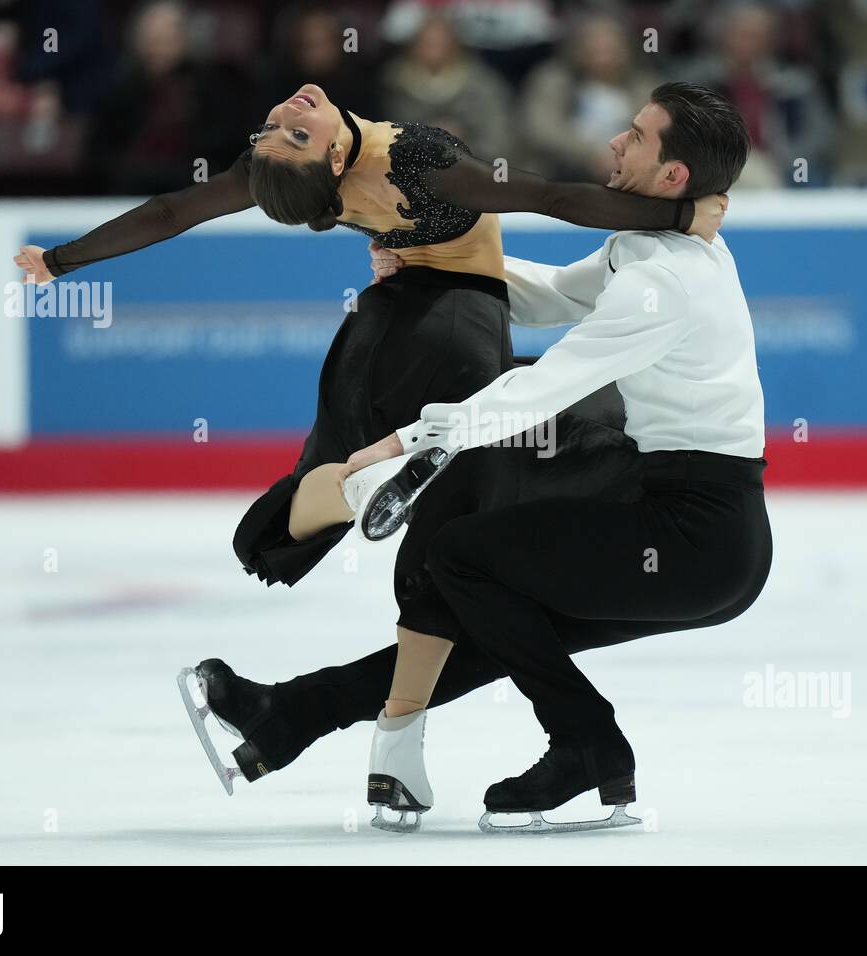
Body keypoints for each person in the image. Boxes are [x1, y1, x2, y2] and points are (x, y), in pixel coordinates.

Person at [10, 82, 723, 821]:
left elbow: (171, 212)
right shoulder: (419, 159)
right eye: (289, 131)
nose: (287, 113)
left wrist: (60, 261)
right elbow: (550, 197)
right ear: (327, 160)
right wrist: (680, 215)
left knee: (335, 506)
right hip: (458, 338)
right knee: (449, 546)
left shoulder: (280, 174)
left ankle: (322, 669)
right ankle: (398, 744)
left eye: (282, 125)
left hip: (376, 333)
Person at [201, 83, 770, 834]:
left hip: (697, 534)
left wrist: (411, 439)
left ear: (673, 177)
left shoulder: (664, 282)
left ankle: (588, 744)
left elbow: (542, 388)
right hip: (687, 517)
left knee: (461, 558)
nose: (614, 141)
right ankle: (287, 717)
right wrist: (435, 262)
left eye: (635, 136)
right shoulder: (647, 250)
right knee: (481, 626)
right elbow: (555, 295)